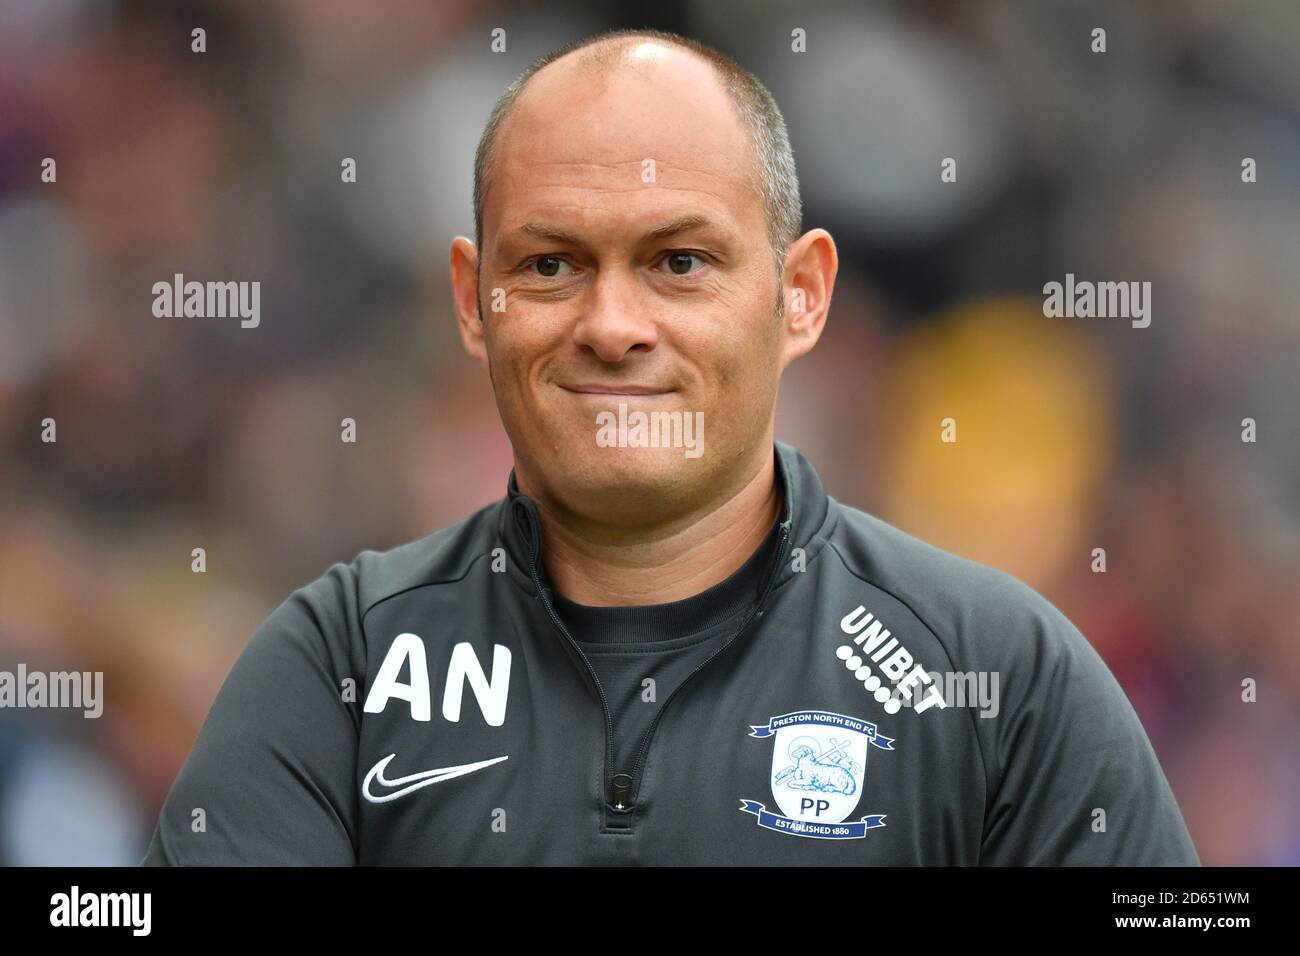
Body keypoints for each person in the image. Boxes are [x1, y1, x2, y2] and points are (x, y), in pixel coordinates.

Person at [141, 28, 1198, 865]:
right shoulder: (340, 668)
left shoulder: (995, 676)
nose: (611, 323)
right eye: (552, 264)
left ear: (800, 295)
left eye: (679, 261)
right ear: (473, 301)